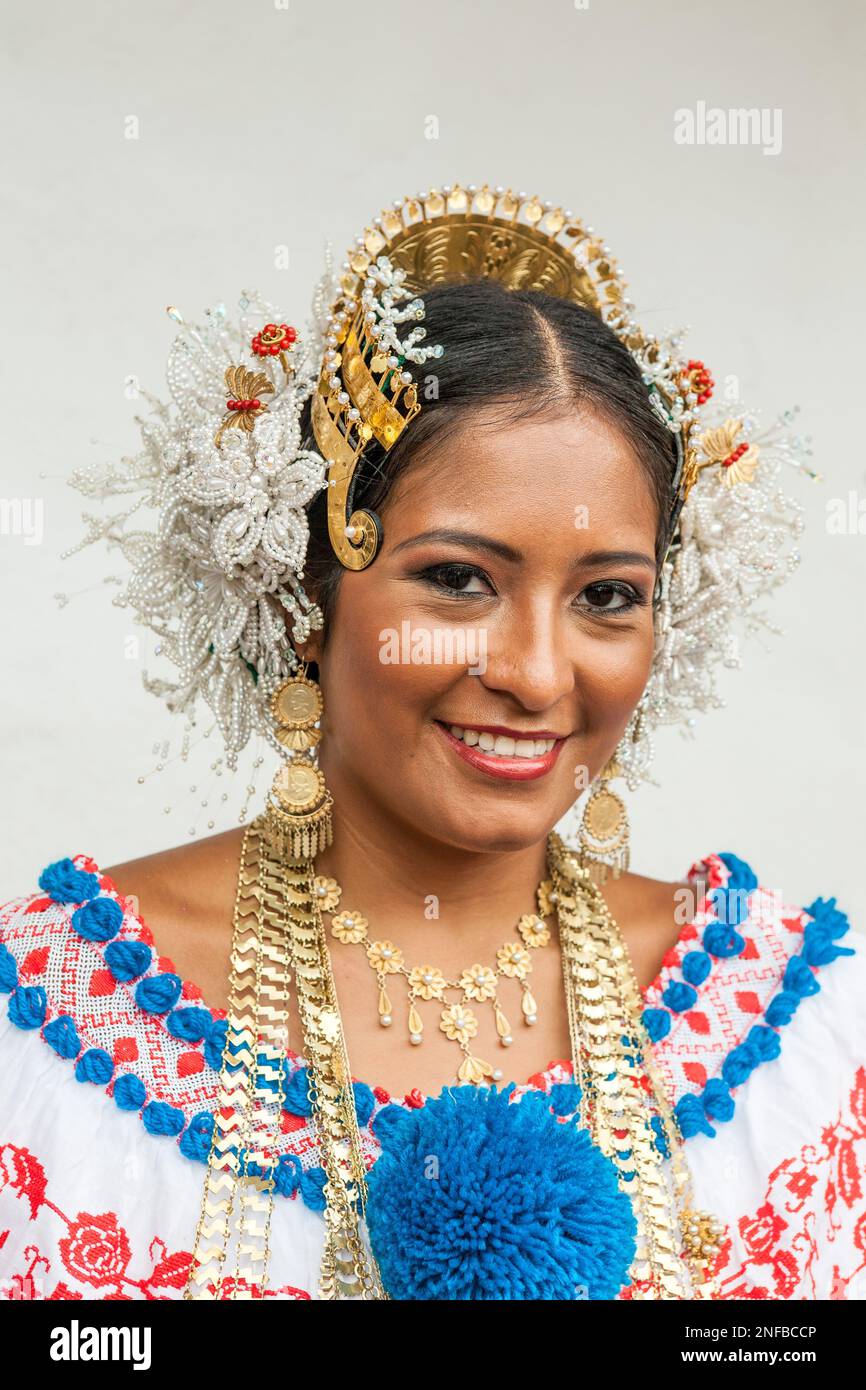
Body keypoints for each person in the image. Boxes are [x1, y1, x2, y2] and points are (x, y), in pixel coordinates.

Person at [1, 184, 862, 1302]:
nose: (538, 672)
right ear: (306, 592)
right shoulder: (53, 1026)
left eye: (606, 595)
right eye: (458, 580)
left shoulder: (796, 1034)